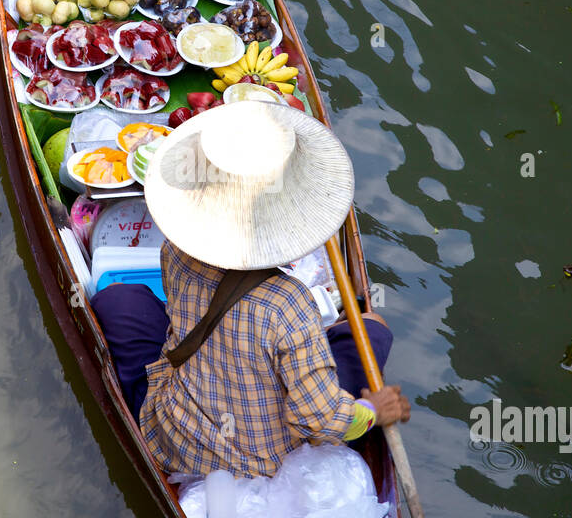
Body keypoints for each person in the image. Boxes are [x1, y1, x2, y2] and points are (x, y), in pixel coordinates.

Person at [92, 102, 410, 478]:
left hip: (177, 437)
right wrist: (374, 411)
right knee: (370, 326)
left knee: (118, 300)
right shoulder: (289, 303)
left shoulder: (177, 249)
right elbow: (318, 420)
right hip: (262, 464)